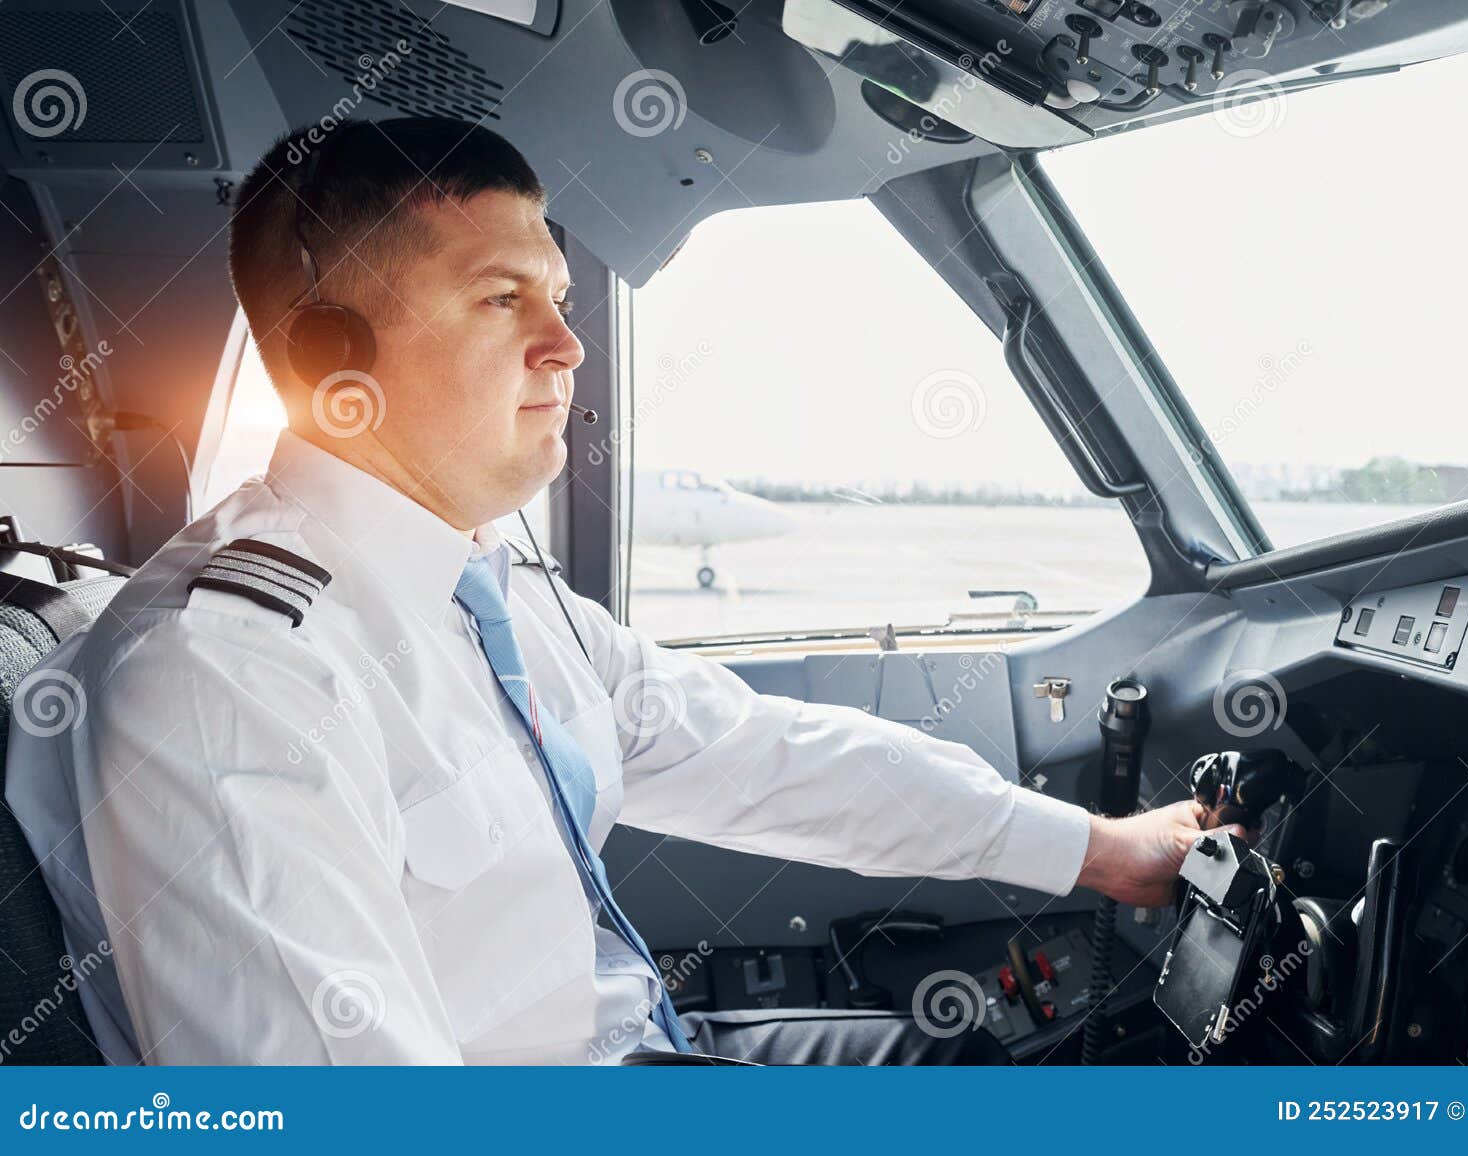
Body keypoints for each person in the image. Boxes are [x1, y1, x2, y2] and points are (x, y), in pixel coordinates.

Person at [6, 117, 1244, 1066]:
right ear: (333, 355)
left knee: (1017, 1058)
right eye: (504, 300)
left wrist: (1102, 851)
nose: (567, 343)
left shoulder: (487, 581)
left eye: (556, 293)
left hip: (646, 1054)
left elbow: (759, 751)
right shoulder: (231, 674)